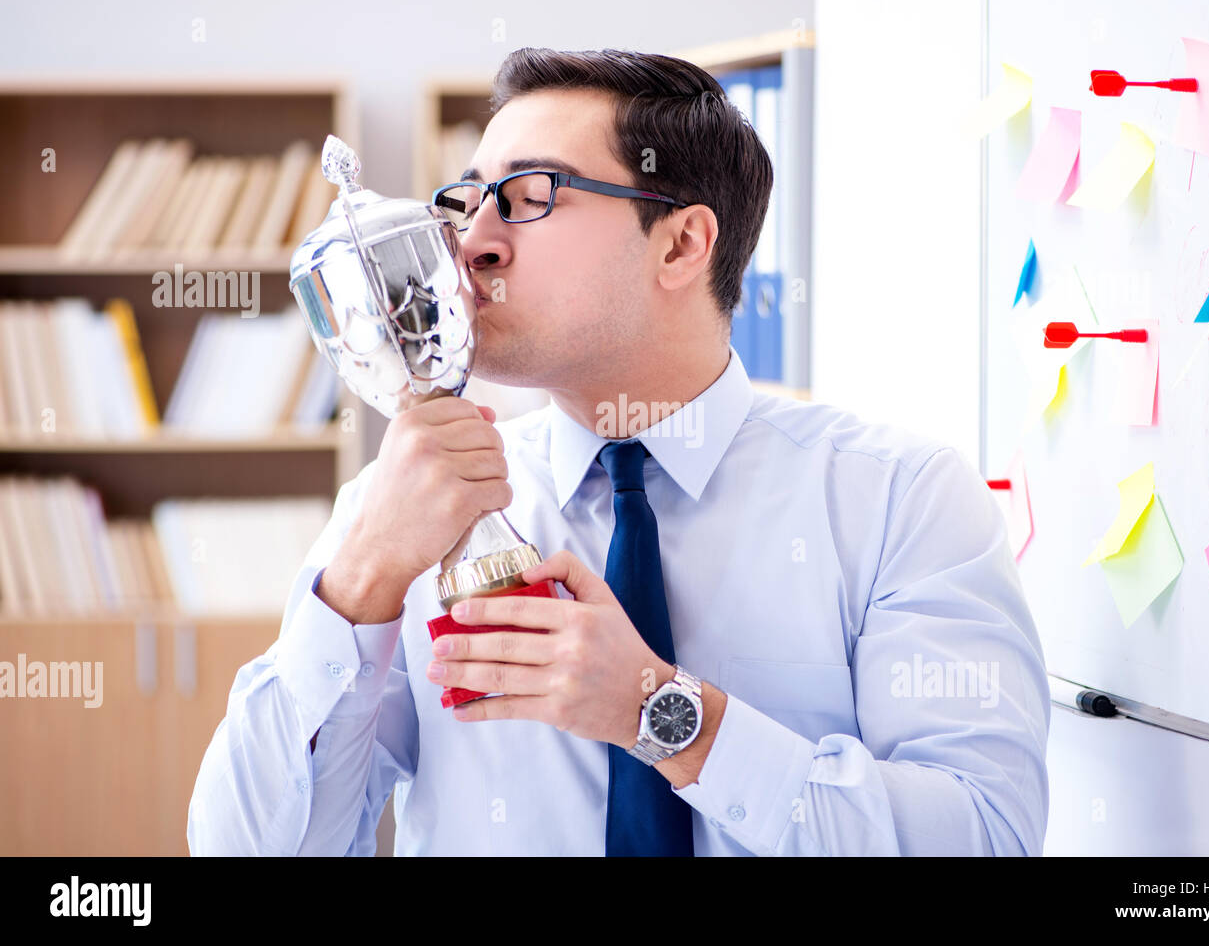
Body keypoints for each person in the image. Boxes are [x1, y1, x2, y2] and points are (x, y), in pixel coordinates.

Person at [188, 46, 1050, 856]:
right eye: (467, 200)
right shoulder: (400, 516)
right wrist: (356, 583)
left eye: (528, 195)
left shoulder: (903, 500)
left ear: (681, 244)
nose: (471, 242)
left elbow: (982, 832)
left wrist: (664, 714)